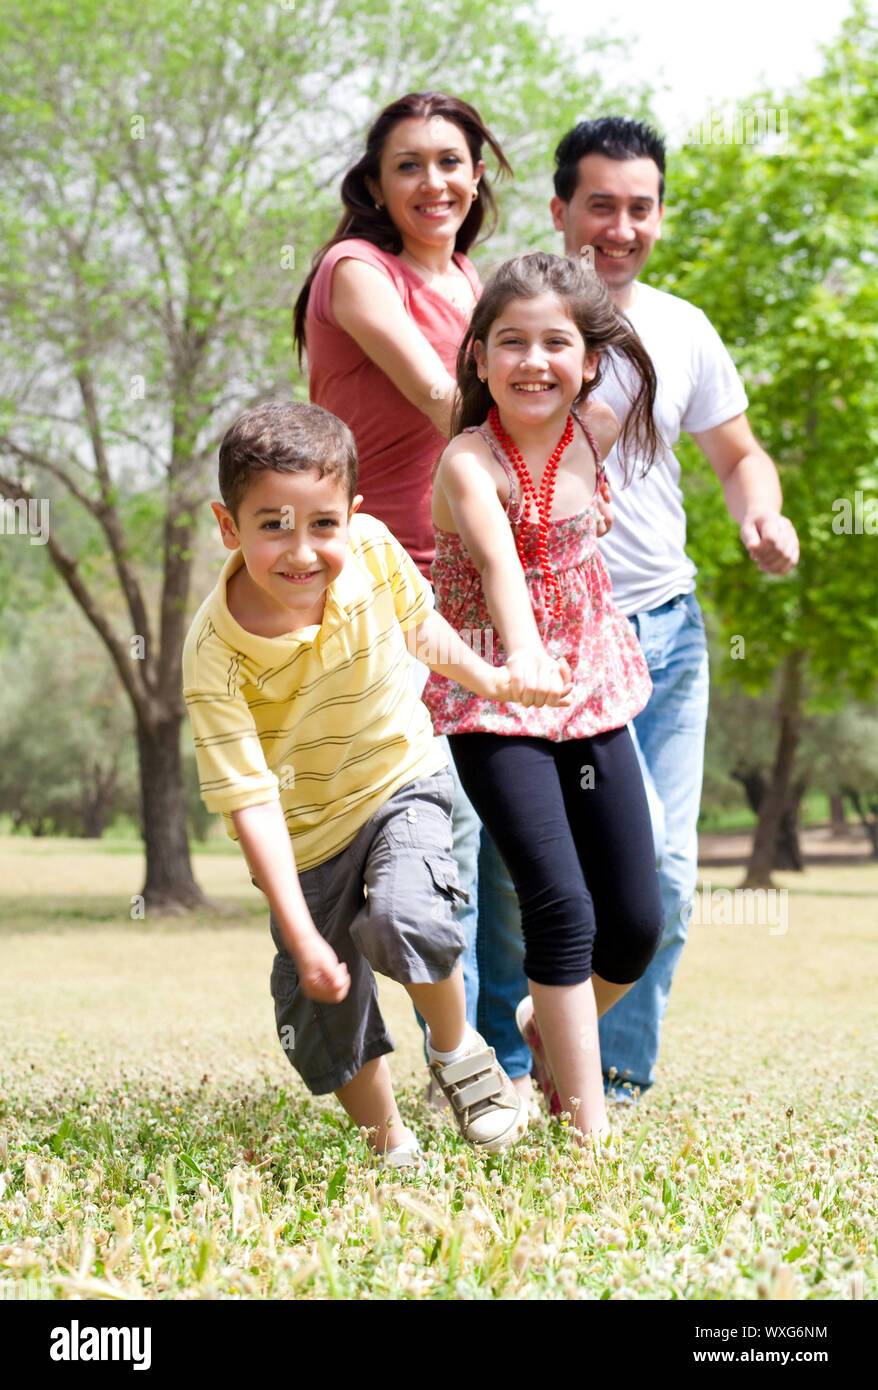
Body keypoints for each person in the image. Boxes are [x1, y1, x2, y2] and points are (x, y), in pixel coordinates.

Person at [477, 117, 800, 1101]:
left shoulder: (681, 328)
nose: (620, 227)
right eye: (599, 206)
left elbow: (737, 455)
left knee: (659, 867)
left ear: (657, 213)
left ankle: (609, 1073)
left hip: (657, 628)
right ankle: (501, 1072)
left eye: (639, 207)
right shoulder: (509, 322)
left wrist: (762, 514)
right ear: (559, 211)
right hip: (536, 640)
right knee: (509, 875)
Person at [182, 401, 544, 1162]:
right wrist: (303, 930)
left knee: (409, 915)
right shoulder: (215, 653)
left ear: (352, 515)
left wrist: (493, 679)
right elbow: (248, 799)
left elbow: (423, 628)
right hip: (303, 834)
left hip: (397, 779)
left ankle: (456, 1053)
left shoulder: (375, 550)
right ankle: (391, 1148)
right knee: (324, 1007)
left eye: (322, 525)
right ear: (228, 525)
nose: (302, 551)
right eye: (272, 524)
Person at [421, 252, 665, 1138]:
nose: (534, 361)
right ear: (479, 358)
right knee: (559, 906)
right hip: (495, 693)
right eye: (511, 342)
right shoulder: (466, 460)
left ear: (590, 359)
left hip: (592, 688)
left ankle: (542, 1020)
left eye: (556, 342)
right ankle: (587, 1134)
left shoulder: (594, 432)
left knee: (635, 924)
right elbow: (497, 568)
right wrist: (521, 656)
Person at [293, 92, 512, 1026]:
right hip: (374, 586)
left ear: (477, 174)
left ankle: (496, 1048)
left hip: (467, 578)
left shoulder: (473, 279)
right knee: (428, 822)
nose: (435, 182)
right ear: (377, 184)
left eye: (451, 162)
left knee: (498, 830)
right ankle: (437, 1058)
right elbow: (438, 391)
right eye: (409, 165)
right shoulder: (354, 269)